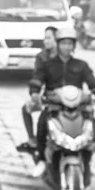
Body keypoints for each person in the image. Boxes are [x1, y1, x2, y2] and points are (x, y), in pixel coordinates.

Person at [26, 32, 95, 177]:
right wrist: (34, 93)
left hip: (78, 106)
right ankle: (42, 160)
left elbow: (92, 82)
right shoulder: (48, 65)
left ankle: (87, 161)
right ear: (58, 45)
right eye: (63, 43)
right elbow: (37, 79)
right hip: (54, 105)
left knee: (93, 124)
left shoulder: (81, 65)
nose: (67, 47)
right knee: (41, 125)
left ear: (74, 46)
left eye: (70, 43)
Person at [16, 25, 63, 155]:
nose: (45, 41)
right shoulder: (41, 57)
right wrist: (34, 93)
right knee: (26, 109)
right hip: (47, 98)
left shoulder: (65, 55)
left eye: (49, 38)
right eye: (45, 38)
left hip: (67, 98)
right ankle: (32, 140)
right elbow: (38, 77)